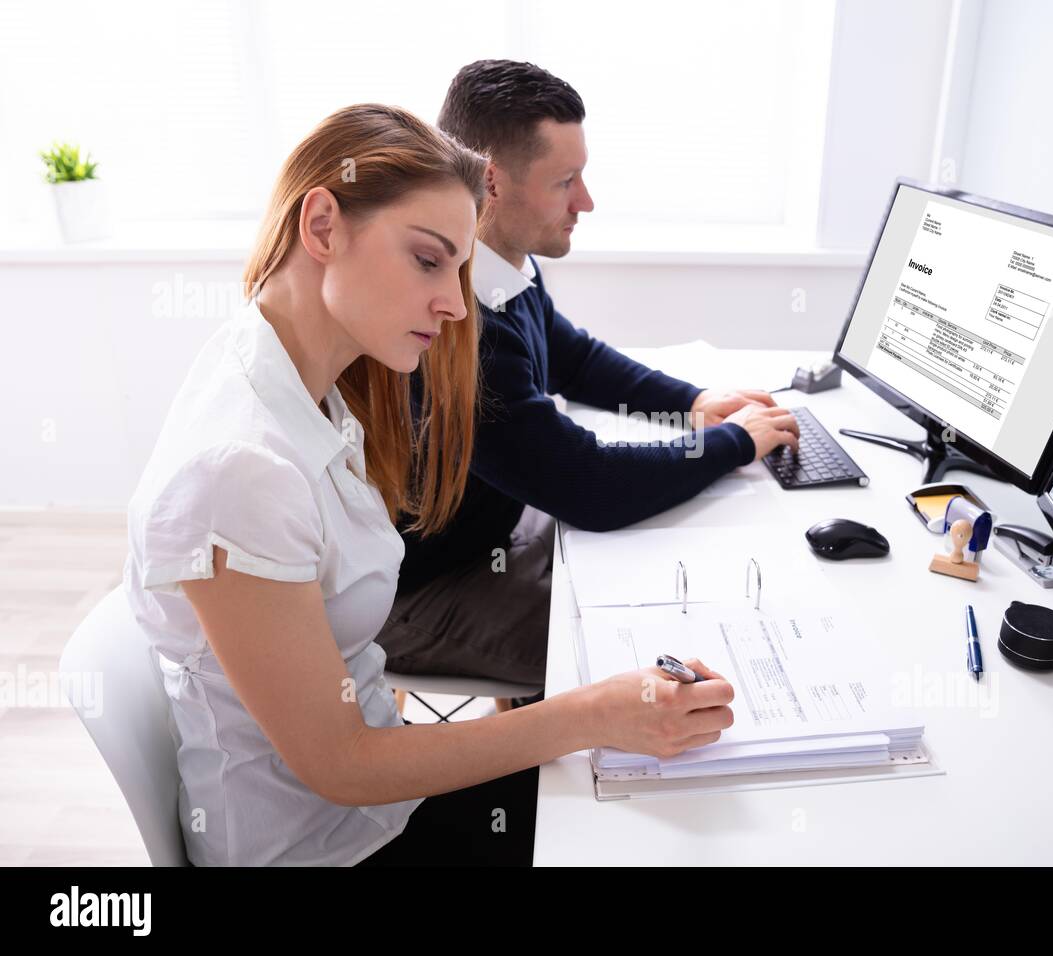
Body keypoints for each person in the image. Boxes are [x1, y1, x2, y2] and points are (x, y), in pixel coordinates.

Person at [123, 103, 734, 866]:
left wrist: (591, 718)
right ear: (322, 227)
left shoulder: (303, 373)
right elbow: (342, 764)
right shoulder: (240, 470)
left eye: (459, 267)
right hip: (330, 847)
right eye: (428, 260)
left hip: (382, 804)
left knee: (658, 803)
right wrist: (588, 716)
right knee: (666, 828)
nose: (453, 304)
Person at [378, 61, 800, 694]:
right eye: (566, 182)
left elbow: (571, 355)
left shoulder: (500, 266)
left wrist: (692, 402)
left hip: (492, 531)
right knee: (646, 657)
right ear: (490, 181)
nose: (586, 202)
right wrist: (735, 442)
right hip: (418, 596)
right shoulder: (457, 321)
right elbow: (590, 486)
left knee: (669, 560)